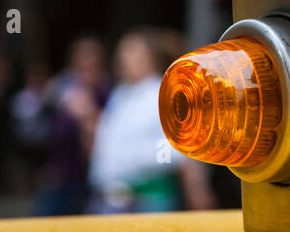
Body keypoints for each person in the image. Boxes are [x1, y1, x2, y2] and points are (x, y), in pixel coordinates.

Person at [88, 28, 216, 214]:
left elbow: (177, 148)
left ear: (150, 57)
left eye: (131, 51)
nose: (123, 57)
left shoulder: (164, 93)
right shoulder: (120, 94)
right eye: (122, 51)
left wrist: (153, 162)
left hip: (147, 200)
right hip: (109, 200)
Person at [30, 36, 108, 216]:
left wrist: (88, 114)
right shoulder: (62, 90)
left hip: (88, 181)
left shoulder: (107, 93)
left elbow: (105, 136)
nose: (87, 66)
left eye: (92, 61)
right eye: (82, 62)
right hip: (57, 176)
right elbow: (40, 129)